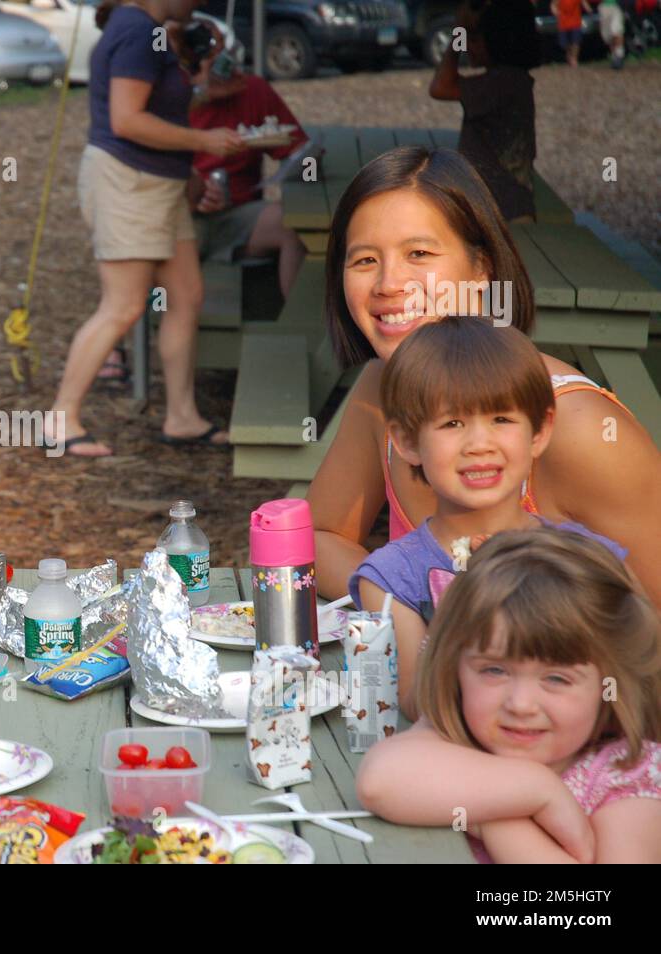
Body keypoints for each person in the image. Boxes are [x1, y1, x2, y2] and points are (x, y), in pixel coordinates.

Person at [305, 146, 661, 608]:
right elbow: (315, 536)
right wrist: (412, 603)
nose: (389, 283)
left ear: (482, 270)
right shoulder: (382, 386)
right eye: (365, 261)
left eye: (419, 253)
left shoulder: (580, 429)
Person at [347, 318, 625, 719]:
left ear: (539, 432)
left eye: (501, 419)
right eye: (452, 423)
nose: (479, 445)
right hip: (461, 762)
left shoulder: (583, 556)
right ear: (408, 441)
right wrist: (478, 594)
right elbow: (417, 702)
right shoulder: (392, 577)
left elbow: (624, 676)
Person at [356, 528, 661, 863]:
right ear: (455, 668)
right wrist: (538, 791)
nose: (520, 704)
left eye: (557, 678)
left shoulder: (627, 776)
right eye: (495, 671)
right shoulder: (462, 733)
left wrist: (495, 818)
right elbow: (379, 781)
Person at [53, 0, 235, 456]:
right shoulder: (136, 31)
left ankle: (182, 417)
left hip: (162, 184)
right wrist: (205, 141)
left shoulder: (147, 28)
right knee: (124, 304)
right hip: (127, 182)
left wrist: (200, 81)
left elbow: (163, 105)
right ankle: (59, 419)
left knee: (186, 295)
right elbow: (127, 118)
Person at [188, 48, 310, 297]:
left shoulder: (252, 90)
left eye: (221, 50)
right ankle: (148, 326)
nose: (220, 63)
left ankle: (298, 326)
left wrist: (308, 176)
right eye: (207, 54)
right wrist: (195, 195)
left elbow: (305, 154)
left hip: (241, 216)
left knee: (296, 224)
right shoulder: (163, 99)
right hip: (182, 220)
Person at [429, 0, 540, 222]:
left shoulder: (500, 83)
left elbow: (440, 87)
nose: (469, 45)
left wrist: (458, 33)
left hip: (501, 211)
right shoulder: (514, 80)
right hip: (508, 205)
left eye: (475, 38)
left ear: (498, 42)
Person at [558, 0, 594, 66]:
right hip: (563, 23)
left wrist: (589, 9)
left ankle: (574, 58)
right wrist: (556, 12)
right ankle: (569, 55)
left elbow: (584, 2)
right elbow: (553, 5)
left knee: (576, 42)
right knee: (565, 44)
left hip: (575, 23)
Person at [599, 0, 627, 68]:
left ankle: (619, 55)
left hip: (616, 6)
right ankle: (614, 56)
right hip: (603, 7)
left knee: (616, 30)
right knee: (608, 36)